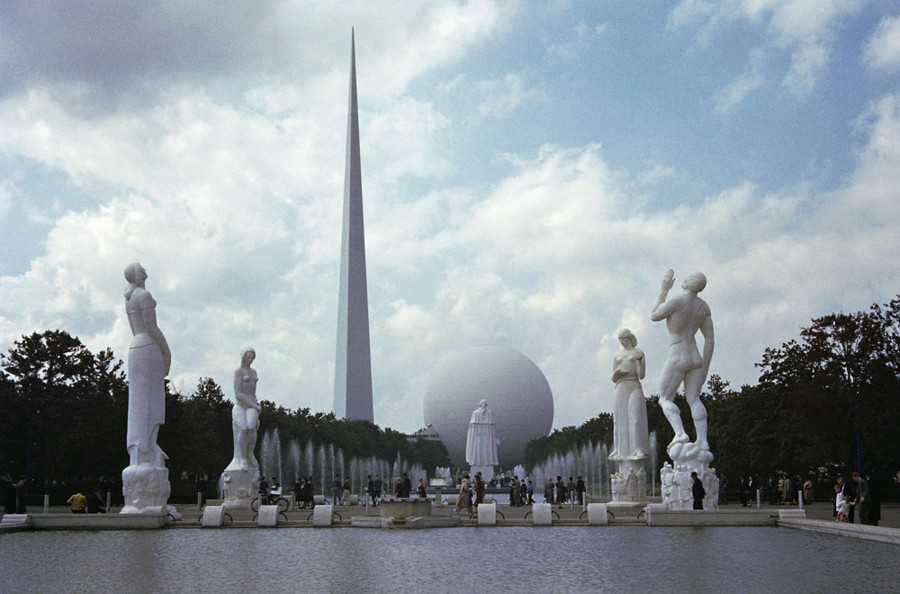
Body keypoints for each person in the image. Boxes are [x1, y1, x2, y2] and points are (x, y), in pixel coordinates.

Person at [650, 270, 714, 452]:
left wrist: (663, 290)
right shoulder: (703, 307)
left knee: (664, 398)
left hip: (678, 354)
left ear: (687, 282)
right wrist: (705, 369)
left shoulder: (677, 301)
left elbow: (654, 315)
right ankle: (702, 441)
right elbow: (710, 340)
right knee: (694, 399)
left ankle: (680, 433)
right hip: (695, 357)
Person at [123, 262, 171, 468]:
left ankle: (145, 446)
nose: (146, 271)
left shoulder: (129, 298)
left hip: (136, 346)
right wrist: (166, 351)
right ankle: (146, 445)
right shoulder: (143, 296)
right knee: (150, 398)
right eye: (142, 269)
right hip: (149, 346)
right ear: (136, 275)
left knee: (139, 400)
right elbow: (152, 327)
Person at [609, 329, 649, 461]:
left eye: (623, 340)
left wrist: (639, 361)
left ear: (629, 338)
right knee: (619, 420)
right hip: (621, 385)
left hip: (634, 384)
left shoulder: (638, 352)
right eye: (620, 341)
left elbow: (641, 375)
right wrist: (617, 374)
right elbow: (613, 378)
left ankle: (638, 449)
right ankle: (618, 450)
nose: (622, 343)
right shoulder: (617, 355)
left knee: (636, 418)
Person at [228, 348, 261, 472]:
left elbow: (253, 391)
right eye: (248, 357)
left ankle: (250, 454)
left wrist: (254, 405)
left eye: (252, 357)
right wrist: (255, 406)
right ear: (243, 357)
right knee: (243, 428)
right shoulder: (238, 372)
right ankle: (242, 458)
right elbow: (238, 394)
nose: (250, 359)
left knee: (252, 427)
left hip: (252, 403)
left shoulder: (254, 372)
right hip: (241, 404)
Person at [465, 400, 499, 477]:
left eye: (485, 404)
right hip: (477, 437)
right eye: (482, 404)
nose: (483, 405)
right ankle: (476, 461)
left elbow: (492, 429)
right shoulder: (475, 413)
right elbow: (472, 428)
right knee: (477, 449)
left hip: (487, 437)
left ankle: (487, 461)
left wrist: (494, 440)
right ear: (480, 405)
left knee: (487, 449)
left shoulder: (490, 413)